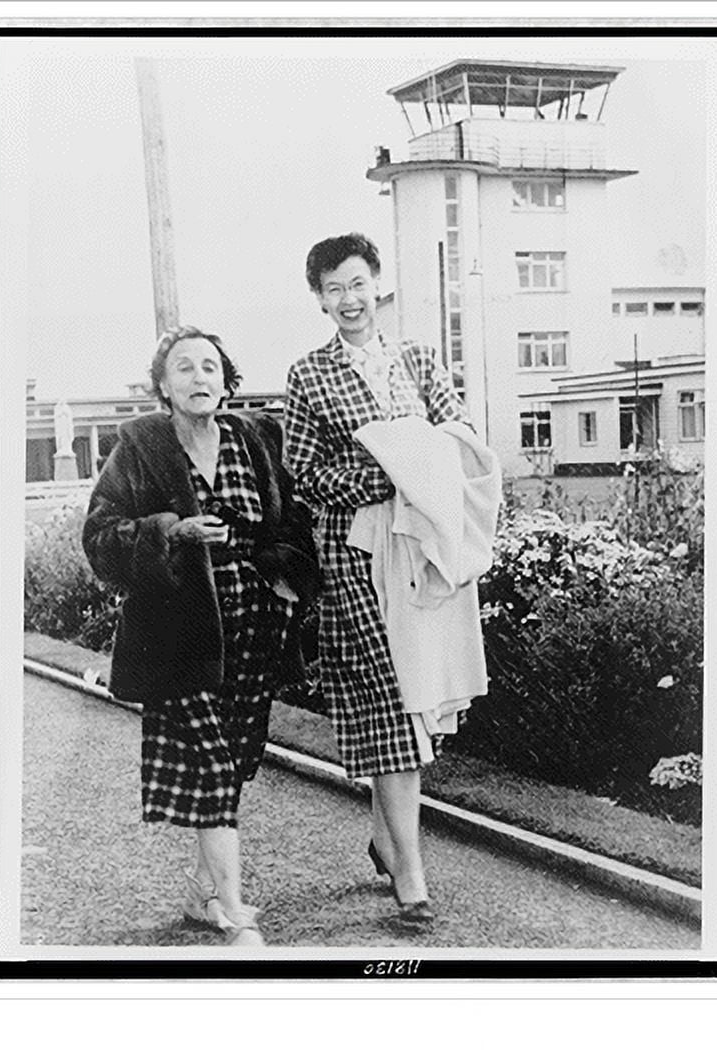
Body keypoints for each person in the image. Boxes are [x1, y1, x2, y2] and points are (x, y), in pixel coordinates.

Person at [82, 325, 318, 947]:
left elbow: (293, 523)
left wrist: (287, 577)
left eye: (209, 367)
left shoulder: (256, 436)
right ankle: (236, 910)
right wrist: (172, 532)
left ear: (226, 379)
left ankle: (199, 894)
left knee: (233, 768)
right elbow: (101, 534)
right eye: (183, 368)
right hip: (178, 638)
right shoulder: (140, 444)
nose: (199, 378)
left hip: (255, 636)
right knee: (213, 768)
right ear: (163, 384)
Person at [283, 233, 480, 924]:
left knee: (412, 698)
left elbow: (457, 435)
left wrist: (414, 459)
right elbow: (307, 475)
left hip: (422, 550)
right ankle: (412, 876)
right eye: (333, 288)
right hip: (352, 557)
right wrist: (394, 465)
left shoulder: (419, 358)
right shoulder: (307, 376)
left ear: (377, 285)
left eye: (358, 283)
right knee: (392, 702)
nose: (349, 300)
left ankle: (382, 838)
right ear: (318, 298)